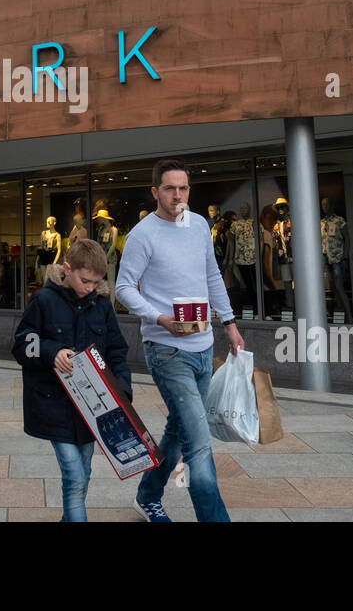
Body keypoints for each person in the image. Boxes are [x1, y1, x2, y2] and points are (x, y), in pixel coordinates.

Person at [115, 158, 245, 522]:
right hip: (166, 350)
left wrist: (230, 324)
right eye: (170, 189)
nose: (177, 195)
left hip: (203, 346)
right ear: (155, 191)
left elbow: (212, 276)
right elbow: (124, 287)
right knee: (199, 445)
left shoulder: (200, 225)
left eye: (183, 188)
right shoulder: (143, 234)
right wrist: (159, 318)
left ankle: (147, 495)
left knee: (179, 428)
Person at [12, 239, 130, 522]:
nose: (90, 288)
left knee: (84, 471)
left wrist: (123, 393)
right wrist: (52, 352)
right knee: (75, 474)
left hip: (91, 410)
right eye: (85, 280)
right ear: (67, 269)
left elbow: (117, 352)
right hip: (53, 405)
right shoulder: (42, 300)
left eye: (96, 282)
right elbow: (21, 345)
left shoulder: (102, 305)